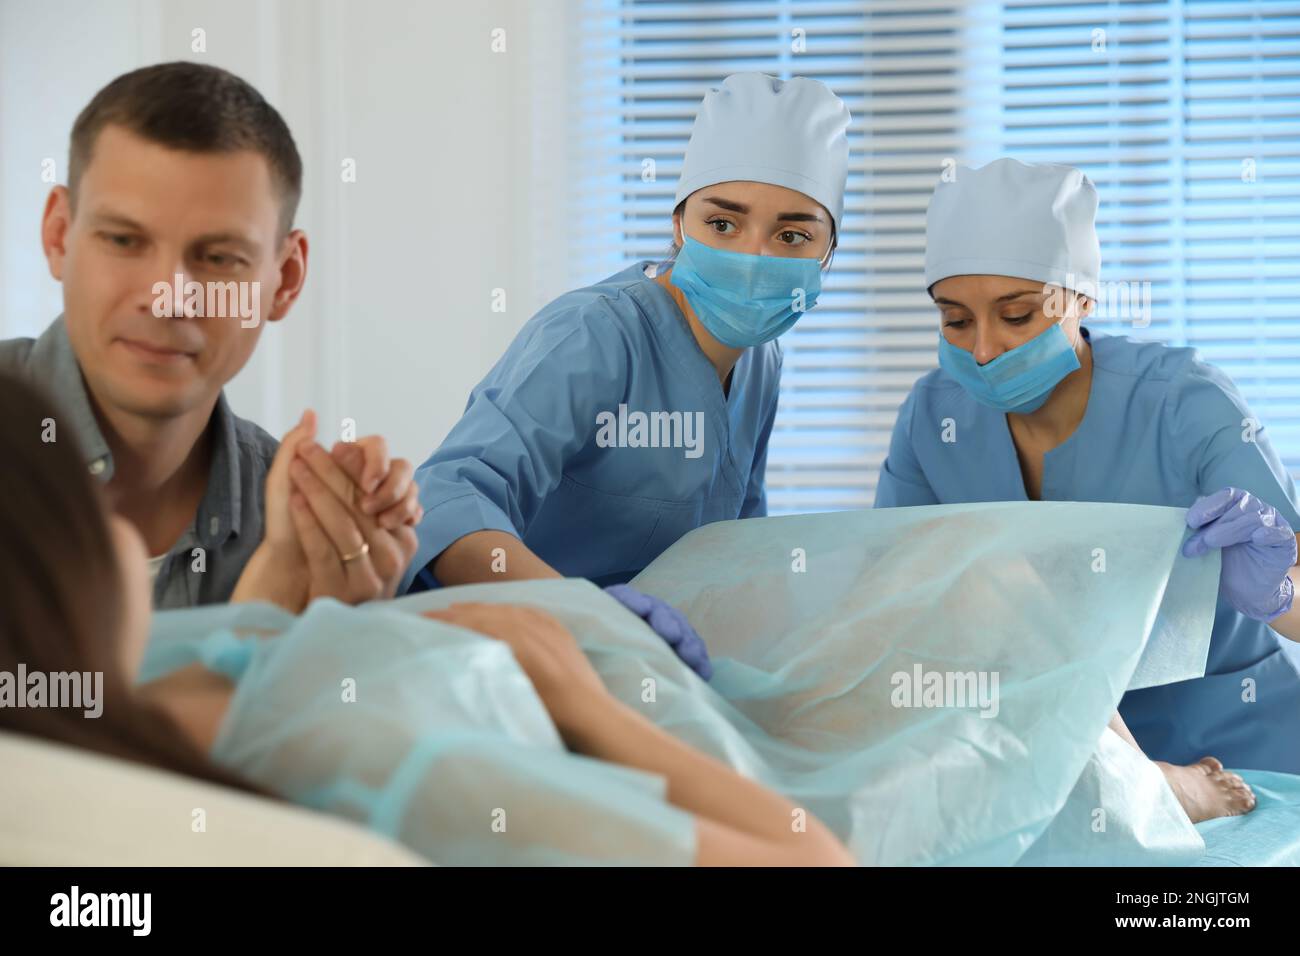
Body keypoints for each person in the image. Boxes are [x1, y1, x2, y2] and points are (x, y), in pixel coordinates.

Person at [0, 371, 852, 867]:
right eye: (95, 508)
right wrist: (575, 698)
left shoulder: (108, 692)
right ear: (47, 574)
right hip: (664, 732)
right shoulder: (362, 762)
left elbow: (234, 663)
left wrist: (300, 575)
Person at [876, 156, 1299, 815]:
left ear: (1083, 298)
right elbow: (906, 597)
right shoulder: (935, 419)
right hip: (1044, 751)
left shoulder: (1184, 404)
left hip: (1233, 739)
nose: (982, 350)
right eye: (956, 320)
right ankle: (1140, 778)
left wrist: (1276, 591)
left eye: (1016, 316)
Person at [403, 73, 852, 678]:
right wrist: (588, 619)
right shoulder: (593, 334)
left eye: (792, 235)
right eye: (723, 224)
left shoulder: (761, 361)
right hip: (511, 660)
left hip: (651, 671)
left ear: (827, 256)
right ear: (678, 225)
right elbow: (447, 497)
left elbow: (741, 545)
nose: (754, 259)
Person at [0, 61, 421, 609]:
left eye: (220, 258)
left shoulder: (310, 530)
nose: (168, 297)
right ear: (59, 236)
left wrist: (337, 638)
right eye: (124, 241)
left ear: (285, 280)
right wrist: (255, 635)